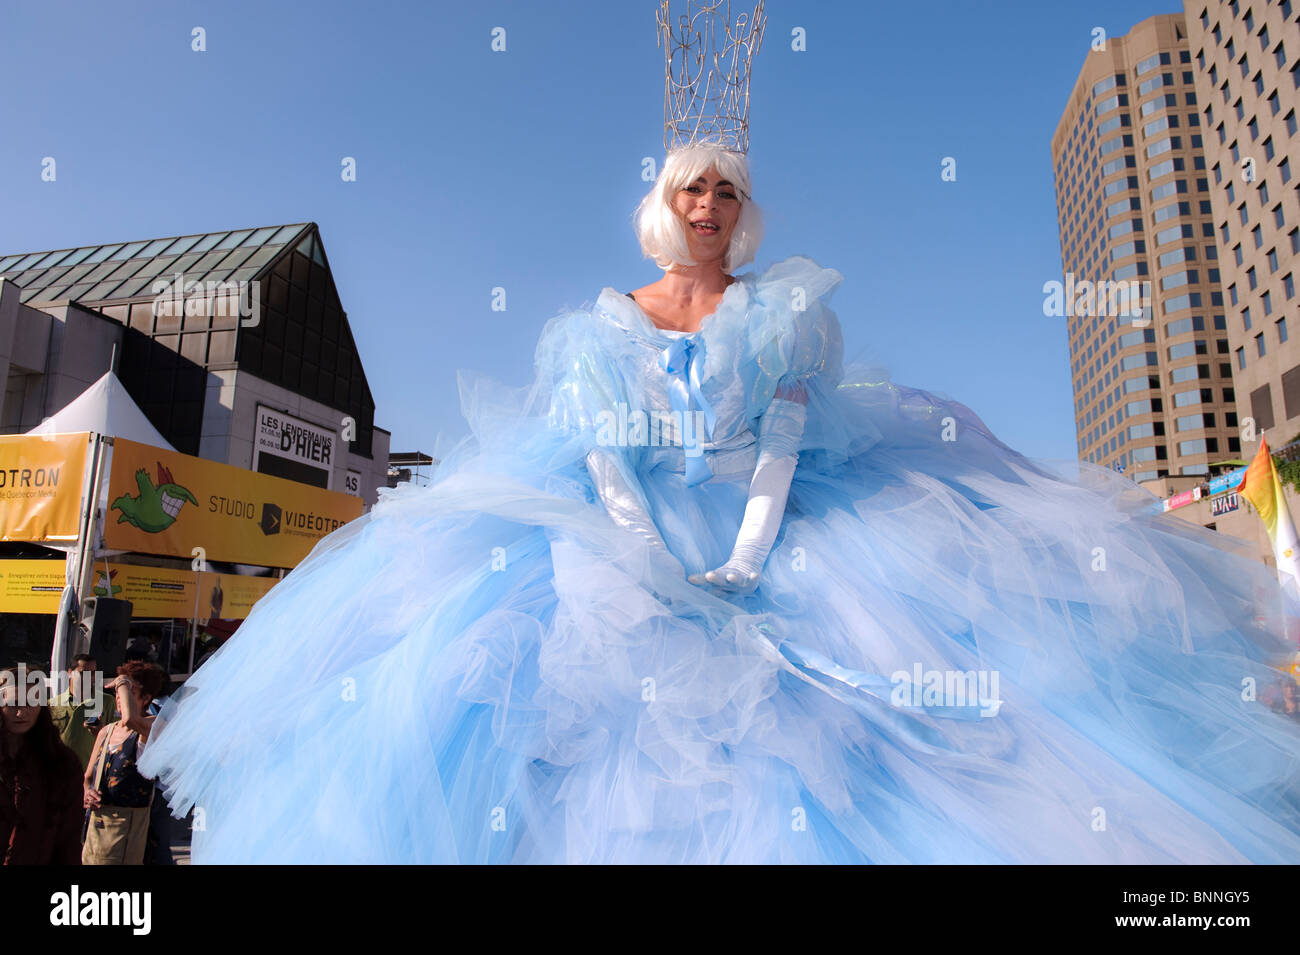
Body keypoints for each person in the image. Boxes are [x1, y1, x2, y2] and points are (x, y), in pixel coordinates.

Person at [138, 142, 1300, 863]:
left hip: (778, 525)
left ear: (742, 214)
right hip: (614, 533)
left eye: (728, 190)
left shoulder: (785, 311)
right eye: (692, 184)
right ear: (662, 202)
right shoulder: (602, 320)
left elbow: (787, 431)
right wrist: (644, 559)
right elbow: (600, 456)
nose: (710, 201)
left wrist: (746, 557)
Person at [82, 661, 164, 865]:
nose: (120, 696)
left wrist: (122, 682)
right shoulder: (106, 731)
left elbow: (130, 720)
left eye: (129, 690)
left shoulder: (153, 725)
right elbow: (88, 777)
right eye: (119, 690)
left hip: (127, 827)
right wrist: (87, 792)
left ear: (146, 698)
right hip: (96, 824)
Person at [0, 667, 84, 864]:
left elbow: (69, 837)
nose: (21, 712)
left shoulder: (62, 763)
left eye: (31, 702)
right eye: (13, 703)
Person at [49, 654, 117, 771]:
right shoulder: (52, 704)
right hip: (57, 772)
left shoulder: (107, 702)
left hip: (89, 773)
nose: (88, 677)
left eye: (92, 673)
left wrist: (101, 732)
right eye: (82, 673)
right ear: (69, 673)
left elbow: (117, 739)